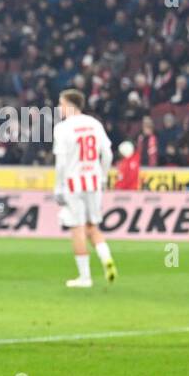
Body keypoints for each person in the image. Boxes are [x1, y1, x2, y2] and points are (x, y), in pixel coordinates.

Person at [52, 88, 117, 287]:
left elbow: (61, 162)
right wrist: (104, 176)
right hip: (94, 180)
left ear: (70, 105)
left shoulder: (62, 128)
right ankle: (106, 259)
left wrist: (58, 186)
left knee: (77, 228)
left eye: (61, 104)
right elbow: (107, 154)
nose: (59, 108)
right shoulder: (94, 123)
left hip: (74, 182)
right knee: (92, 227)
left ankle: (85, 277)